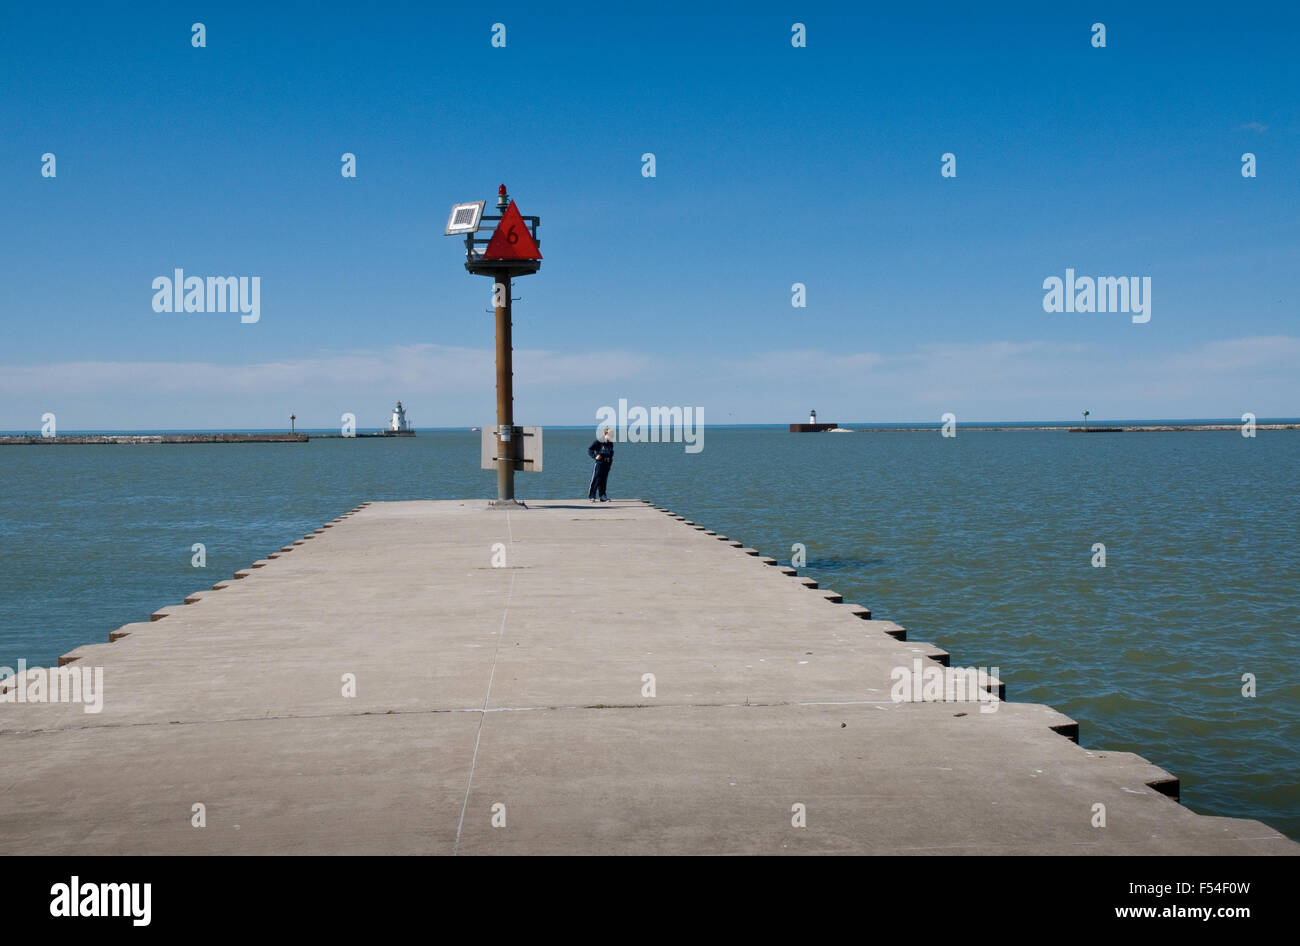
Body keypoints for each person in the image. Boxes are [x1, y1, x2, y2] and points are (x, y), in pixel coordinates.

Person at [587, 427, 614, 502]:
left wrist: (611, 460)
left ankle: (603, 496)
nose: (612, 436)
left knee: (603, 480)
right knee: (596, 479)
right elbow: (590, 449)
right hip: (600, 463)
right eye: (610, 434)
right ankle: (592, 496)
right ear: (606, 434)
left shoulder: (610, 443)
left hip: (607, 463)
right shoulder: (598, 441)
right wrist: (595, 456)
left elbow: (611, 452)